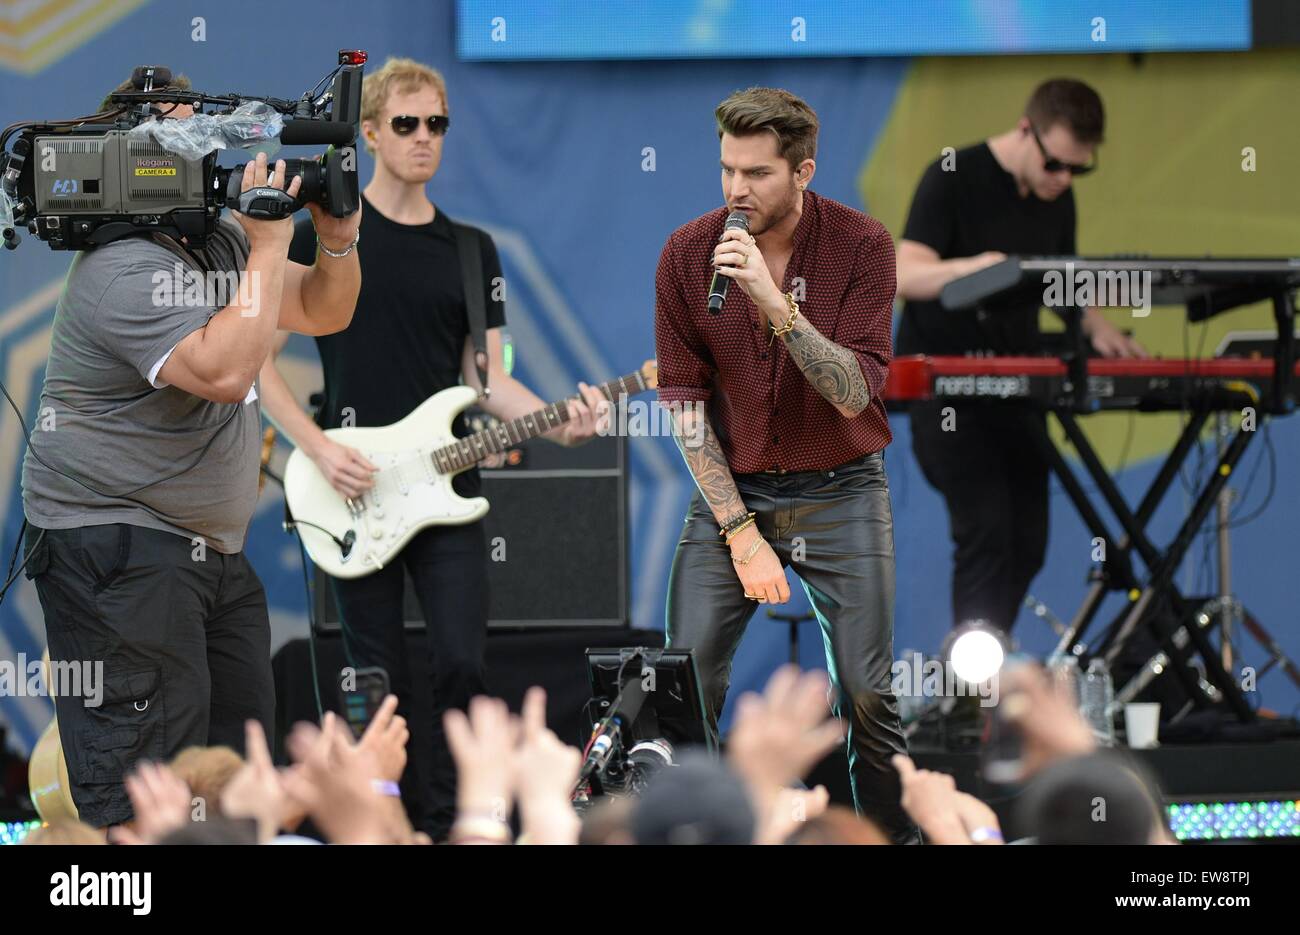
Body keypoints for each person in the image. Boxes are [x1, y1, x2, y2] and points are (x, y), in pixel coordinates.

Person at [258, 57, 605, 841]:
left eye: (437, 124)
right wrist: (312, 449)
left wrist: (561, 417)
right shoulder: (328, 232)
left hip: (447, 487)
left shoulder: (472, 249)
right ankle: (384, 823)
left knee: (461, 663)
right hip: (347, 483)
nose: (424, 138)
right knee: (372, 676)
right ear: (372, 132)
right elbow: (256, 358)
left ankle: (457, 821)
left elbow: (488, 377)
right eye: (407, 124)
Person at [20, 73, 361, 829]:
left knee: (236, 773)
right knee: (156, 791)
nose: (198, 155)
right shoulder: (119, 270)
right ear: (125, 159)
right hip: (118, 547)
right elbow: (228, 369)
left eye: (203, 138)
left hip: (211, 552)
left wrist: (336, 238)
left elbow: (323, 308)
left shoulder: (218, 236)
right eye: (174, 141)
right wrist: (272, 243)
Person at [653, 86, 918, 843]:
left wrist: (775, 302)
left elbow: (854, 388)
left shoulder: (863, 245)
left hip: (842, 486)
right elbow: (685, 405)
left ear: (803, 171)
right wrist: (738, 530)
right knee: (687, 678)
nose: (738, 189)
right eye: (728, 169)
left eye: (758, 174)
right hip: (733, 492)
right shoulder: (684, 252)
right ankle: (700, 831)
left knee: (868, 694)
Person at [895, 77, 1145, 635]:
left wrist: (1100, 329)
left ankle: (986, 676)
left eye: (1080, 170)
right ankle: (969, 698)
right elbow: (904, 275)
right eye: (1057, 164)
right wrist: (975, 268)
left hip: (1019, 390)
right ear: (1027, 130)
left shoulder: (1059, 197)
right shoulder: (953, 174)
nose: (1065, 179)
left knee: (1028, 542)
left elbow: (1061, 286)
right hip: (950, 392)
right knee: (986, 531)